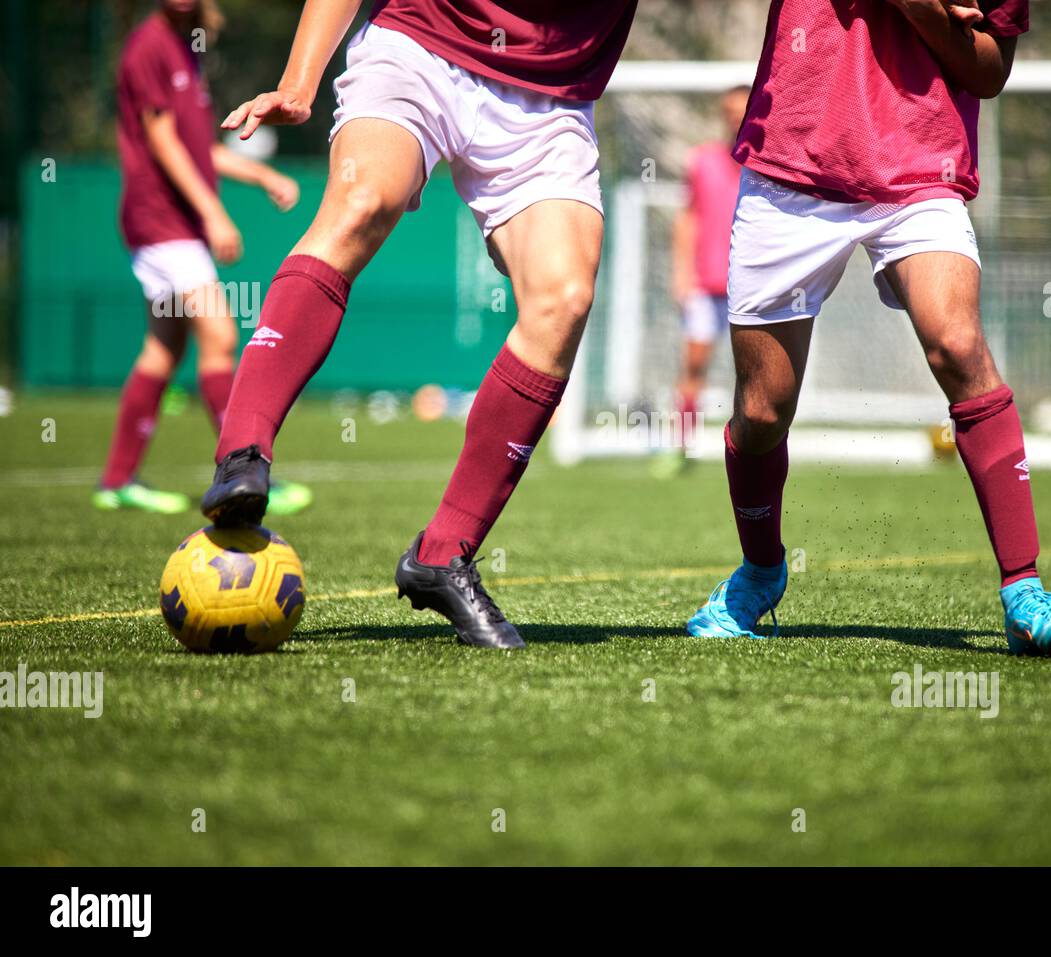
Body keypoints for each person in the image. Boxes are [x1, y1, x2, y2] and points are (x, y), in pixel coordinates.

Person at [201, 0, 640, 649]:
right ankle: (242, 454)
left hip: (550, 94)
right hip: (421, 40)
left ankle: (443, 554)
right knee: (362, 201)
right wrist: (300, 81)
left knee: (563, 298)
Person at [686, 0, 1051, 657]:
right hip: (789, 166)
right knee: (763, 410)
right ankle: (760, 571)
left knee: (960, 346)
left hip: (919, 165)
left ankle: (1024, 591)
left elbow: (989, 70)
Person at [96, 0, 309, 515]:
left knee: (163, 350)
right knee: (220, 335)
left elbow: (198, 149)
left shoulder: (184, 50)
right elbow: (162, 141)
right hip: (162, 220)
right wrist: (213, 213)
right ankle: (243, 469)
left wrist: (260, 176)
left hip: (170, 222)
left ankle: (118, 481)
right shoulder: (149, 45)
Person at [654, 85, 750, 477]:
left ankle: (752, 451)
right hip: (705, 286)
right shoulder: (703, 161)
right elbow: (688, 218)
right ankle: (682, 446)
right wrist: (682, 273)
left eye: (742, 110)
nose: (734, 117)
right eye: (728, 110)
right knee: (692, 367)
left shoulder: (768, 165)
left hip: (752, 286)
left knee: (758, 375)